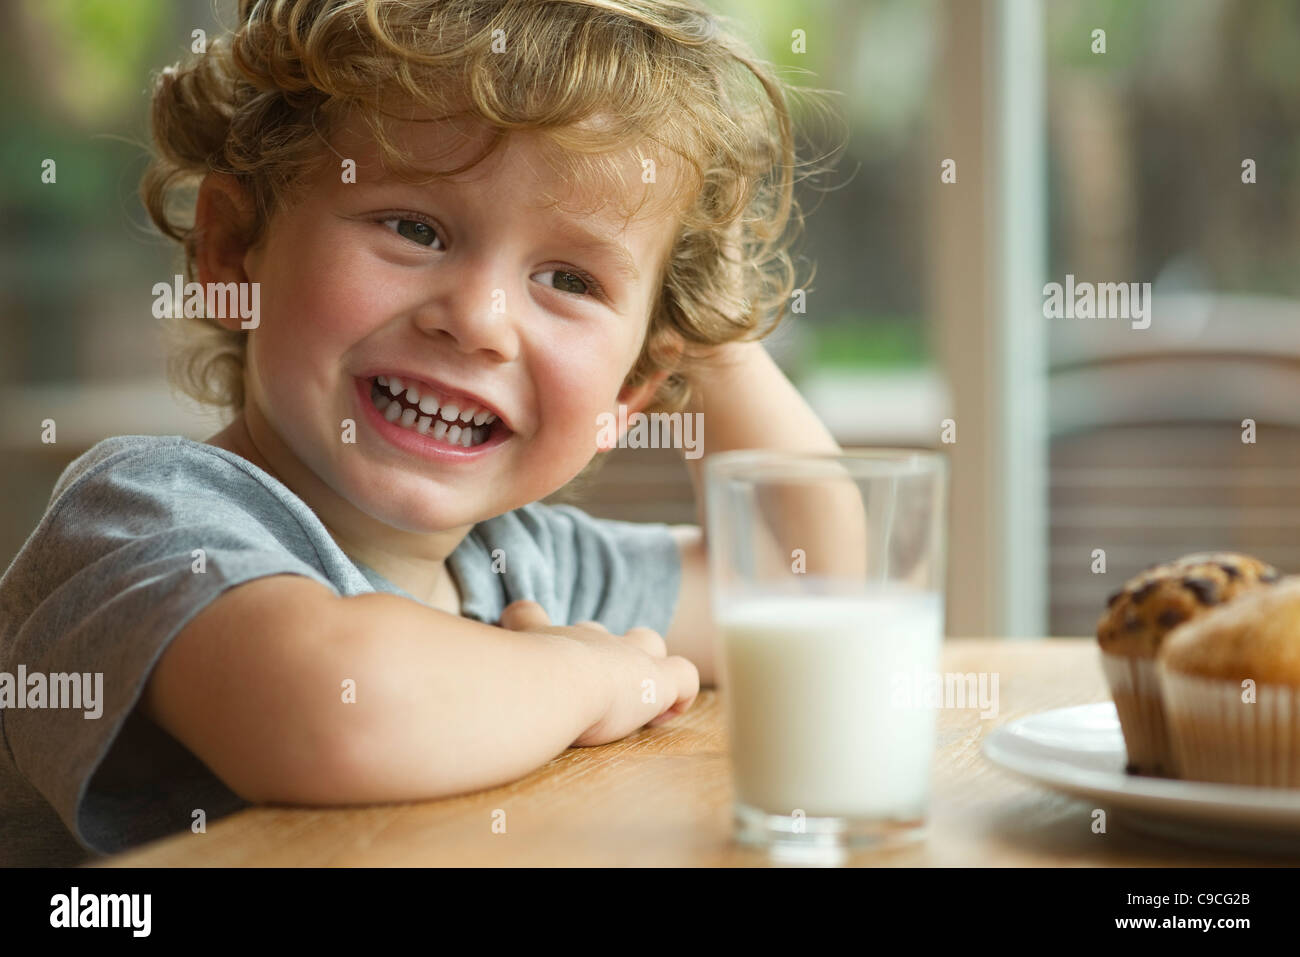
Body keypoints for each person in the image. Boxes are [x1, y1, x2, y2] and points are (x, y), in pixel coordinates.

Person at [0, 0, 840, 863]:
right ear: (231, 247)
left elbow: (807, 585)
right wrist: (589, 676)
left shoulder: (524, 565)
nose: (480, 319)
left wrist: (713, 335)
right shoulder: (148, 519)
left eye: (570, 279)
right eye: (414, 228)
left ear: (629, 389)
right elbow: (337, 708)